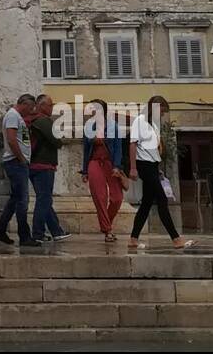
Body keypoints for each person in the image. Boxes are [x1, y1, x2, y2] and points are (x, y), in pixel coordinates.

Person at [128, 95, 195, 250]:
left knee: (146, 204)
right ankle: (176, 238)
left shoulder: (154, 126)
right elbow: (132, 144)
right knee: (162, 200)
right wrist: (132, 167)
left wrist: (157, 167)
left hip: (152, 165)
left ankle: (133, 239)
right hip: (143, 165)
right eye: (162, 111)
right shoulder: (140, 121)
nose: (163, 115)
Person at [0, 94, 42, 247]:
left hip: (18, 162)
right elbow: (12, 140)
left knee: (15, 199)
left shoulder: (16, 116)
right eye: (31, 107)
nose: (31, 111)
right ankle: (24, 236)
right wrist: (21, 158)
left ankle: (0, 230)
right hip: (16, 162)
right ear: (24, 104)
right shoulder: (13, 116)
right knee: (22, 200)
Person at [82, 99, 130, 243]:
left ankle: (105, 223)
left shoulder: (113, 126)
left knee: (117, 198)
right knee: (100, 197)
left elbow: (118, 148)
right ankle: (108, 230)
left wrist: (117, 166)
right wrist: (85, 170)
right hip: (94, 162)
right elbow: (85, 149)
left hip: (110, 163)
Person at [28, 93, 70, 243]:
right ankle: (37, 233)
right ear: (41, 106)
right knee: (44, 199)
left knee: (44, 200)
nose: (52, 108)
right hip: (43, 165)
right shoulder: (43, 121)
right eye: (50, 105)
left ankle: (56, 231)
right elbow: (57, 141)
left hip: (33, 164)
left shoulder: (31, 120)